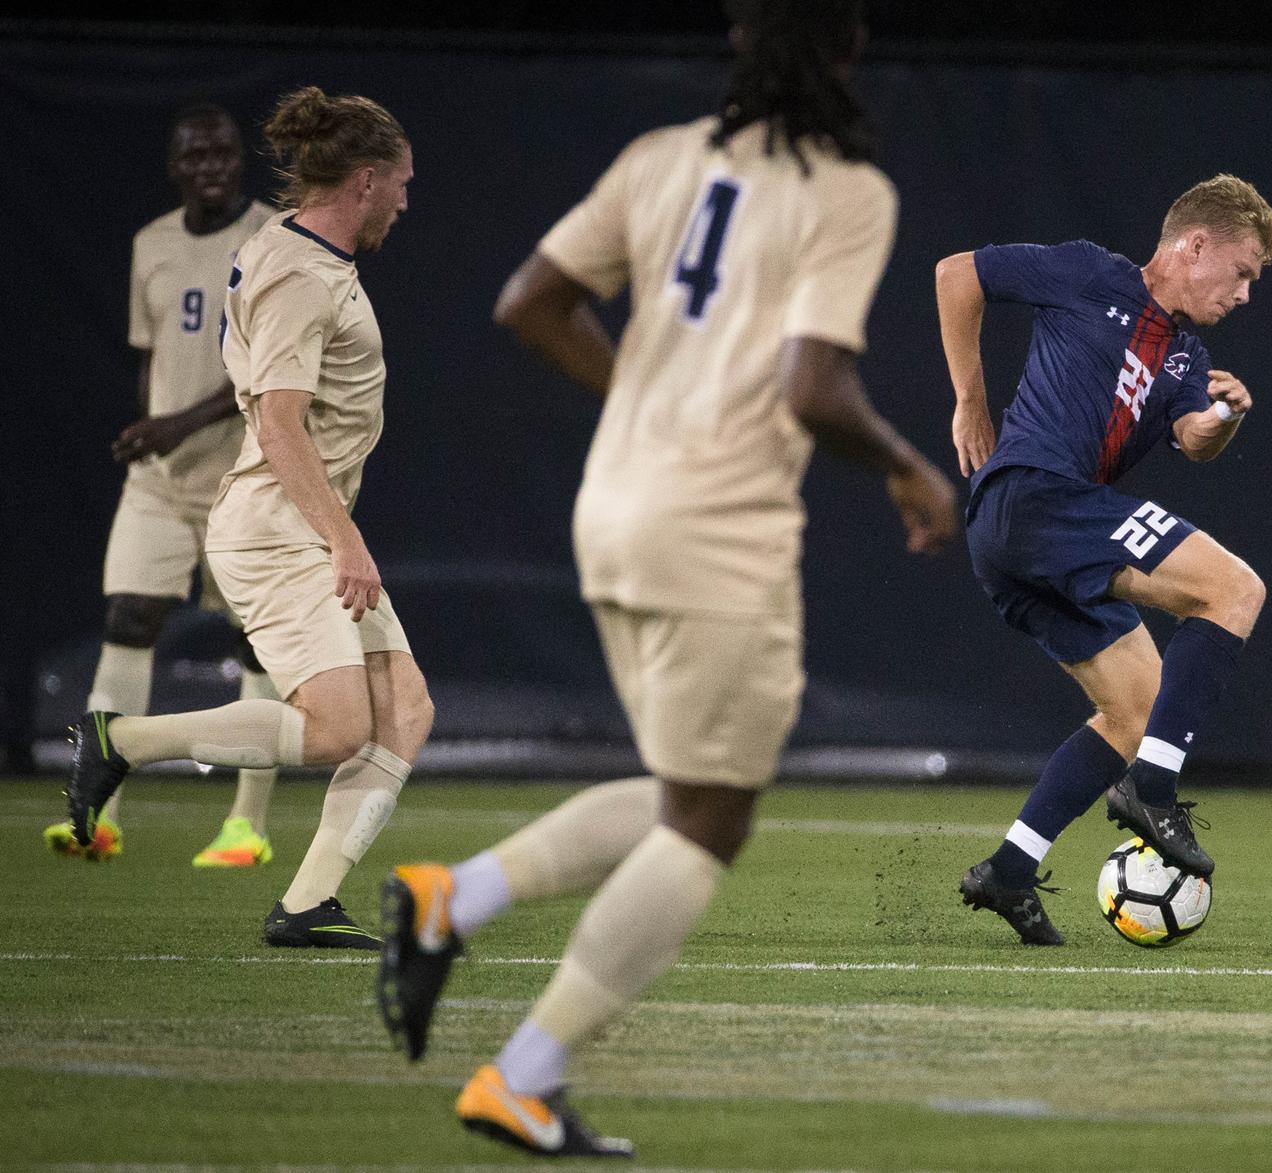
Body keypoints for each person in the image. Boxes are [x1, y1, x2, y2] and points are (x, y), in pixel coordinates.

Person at [371, 1, 958, 1156]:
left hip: (614, 508)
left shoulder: (658, 159)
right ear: (846, 52)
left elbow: (527, 302)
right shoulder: (847, 192)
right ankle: (522, 1077)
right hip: (716, 529)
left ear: (743, 42)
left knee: (681, 789)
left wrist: (648, 400)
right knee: (710, 820)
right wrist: (908, 469)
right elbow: (812, 392)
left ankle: (454, 900)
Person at [66, 86, 431, 948]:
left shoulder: (287, 246)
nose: (410, 202)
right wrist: (344, 537)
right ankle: (122, 738)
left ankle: (305, 903)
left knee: (404, 710)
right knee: (342, 727)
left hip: (298, 516)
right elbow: (274, 418)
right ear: (366, 182)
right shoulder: (301, 271)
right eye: (405, 184)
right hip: (279, 524)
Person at [937, 175, 1272, 945]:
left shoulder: (1187, 355)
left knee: (1139, 707)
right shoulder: (1093, 274)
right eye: (1244, 271)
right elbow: (957, 273)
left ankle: (1010, 871)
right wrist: (971, 401)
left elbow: (1194, 439)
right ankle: (1153, 789)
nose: (1246, 294)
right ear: (1196, 244)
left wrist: (1225, 414)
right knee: (1235, 590)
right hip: (1034, 498)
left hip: (1028, 537)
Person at [43, 104, 282, 867]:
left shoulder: (274, 239)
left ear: (240, 160)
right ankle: (99, 816)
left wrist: (176, 422)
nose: (210, 165)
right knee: (129, 616)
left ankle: (246, 825)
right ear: (176, 166)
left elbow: (265, 367)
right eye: (194, 155)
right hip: (160, 477)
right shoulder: (152, 243)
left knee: (258, 640)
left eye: (222, 152)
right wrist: (154, 428)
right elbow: (153, 354)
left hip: (247, 474)